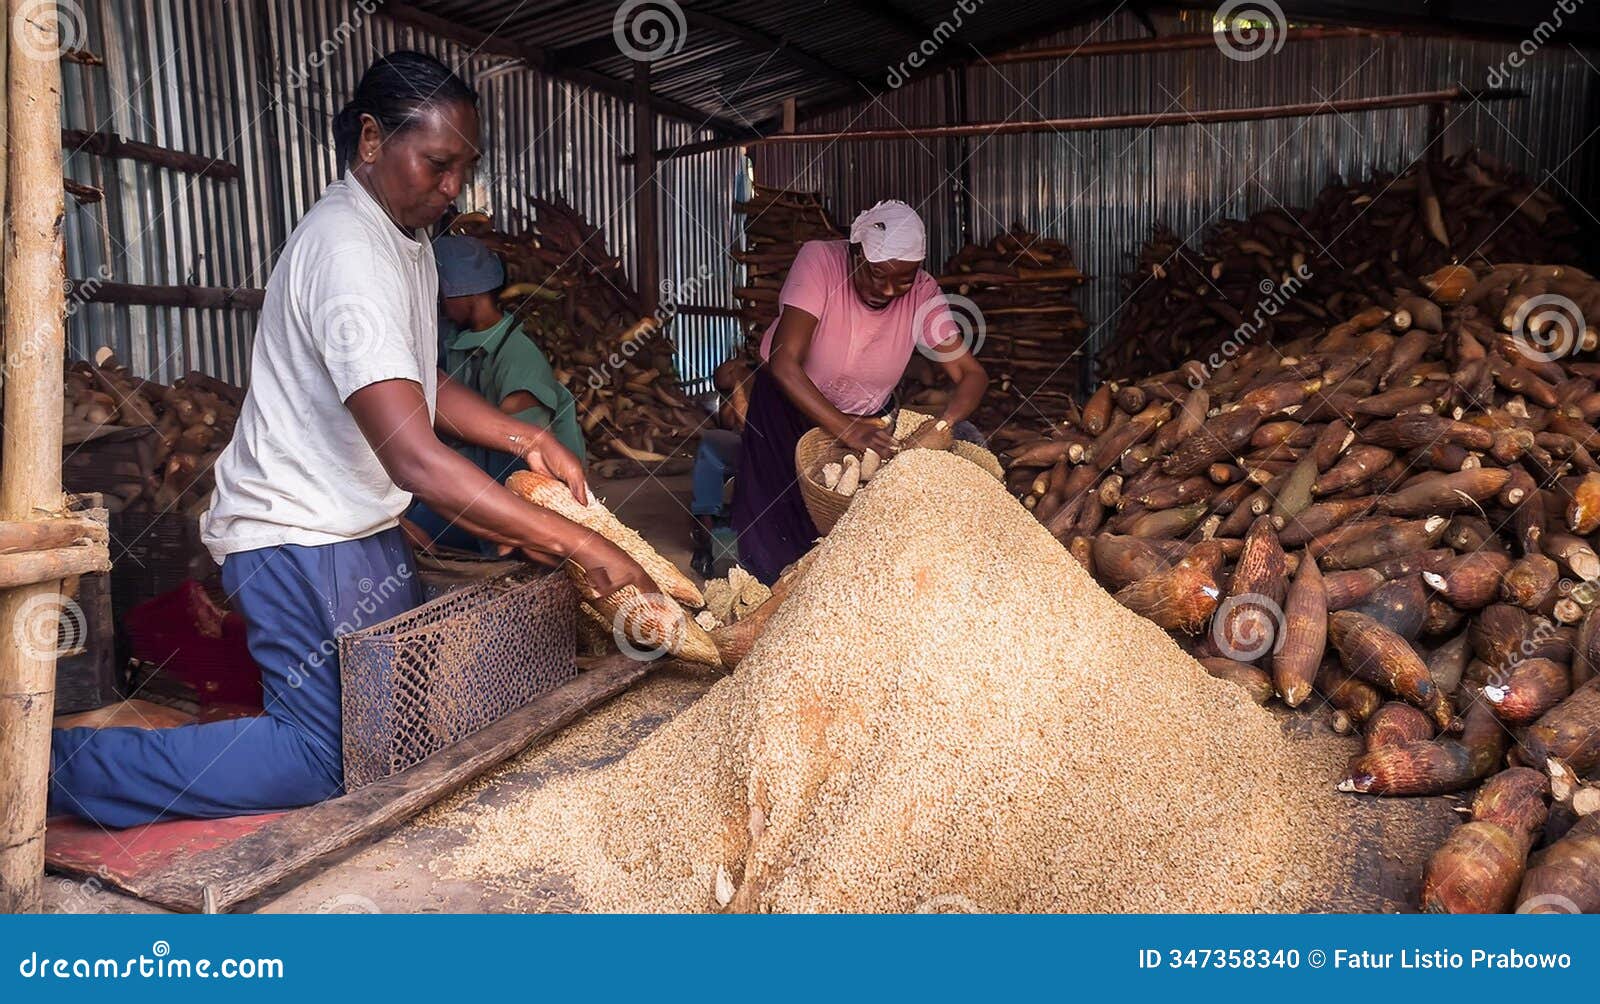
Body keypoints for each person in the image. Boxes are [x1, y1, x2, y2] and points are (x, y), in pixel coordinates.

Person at [48, 51, 653, 829]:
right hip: (297, 534)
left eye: (462, 169)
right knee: (325, 758)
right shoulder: (346, 250)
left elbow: (419, 380)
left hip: (357, 529)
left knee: (390, 731)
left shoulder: (403, 239)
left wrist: (522, 437)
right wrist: (580, 545)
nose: (451, 189)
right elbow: (412, 454)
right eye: (437, 164)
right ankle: (58, 772)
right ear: (371, 139)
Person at [730, 200, 988, 584]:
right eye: (876, 274)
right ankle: (768, 599)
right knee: (775, 526)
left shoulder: (922, 293)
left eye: (904, 278)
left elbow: (971, 374)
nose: (888, 289)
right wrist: (846, 429)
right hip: (789, 404)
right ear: (855, 253)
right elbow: (785, 362)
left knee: (850, 529)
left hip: (867, 415)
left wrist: (943, 424)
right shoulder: (820, 261)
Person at [405, 234, 585, 551]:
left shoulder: (518, 356)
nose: (440, 305)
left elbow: (520, 453)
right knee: (410, 531)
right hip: (480, 480)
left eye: (443, 295)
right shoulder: (458, 342)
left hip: (522, 487)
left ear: (464, 292)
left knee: (423, 534)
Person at [689, 358, 751, 576]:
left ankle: (710, 532)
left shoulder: (768, 378)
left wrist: (738, 384)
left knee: (711, 446)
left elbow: (742, 421)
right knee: (710, 446)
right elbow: (733, 422)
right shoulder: (742, 386)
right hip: (747, 443)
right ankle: (706, 532)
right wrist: (738, 385)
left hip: (772, 446)